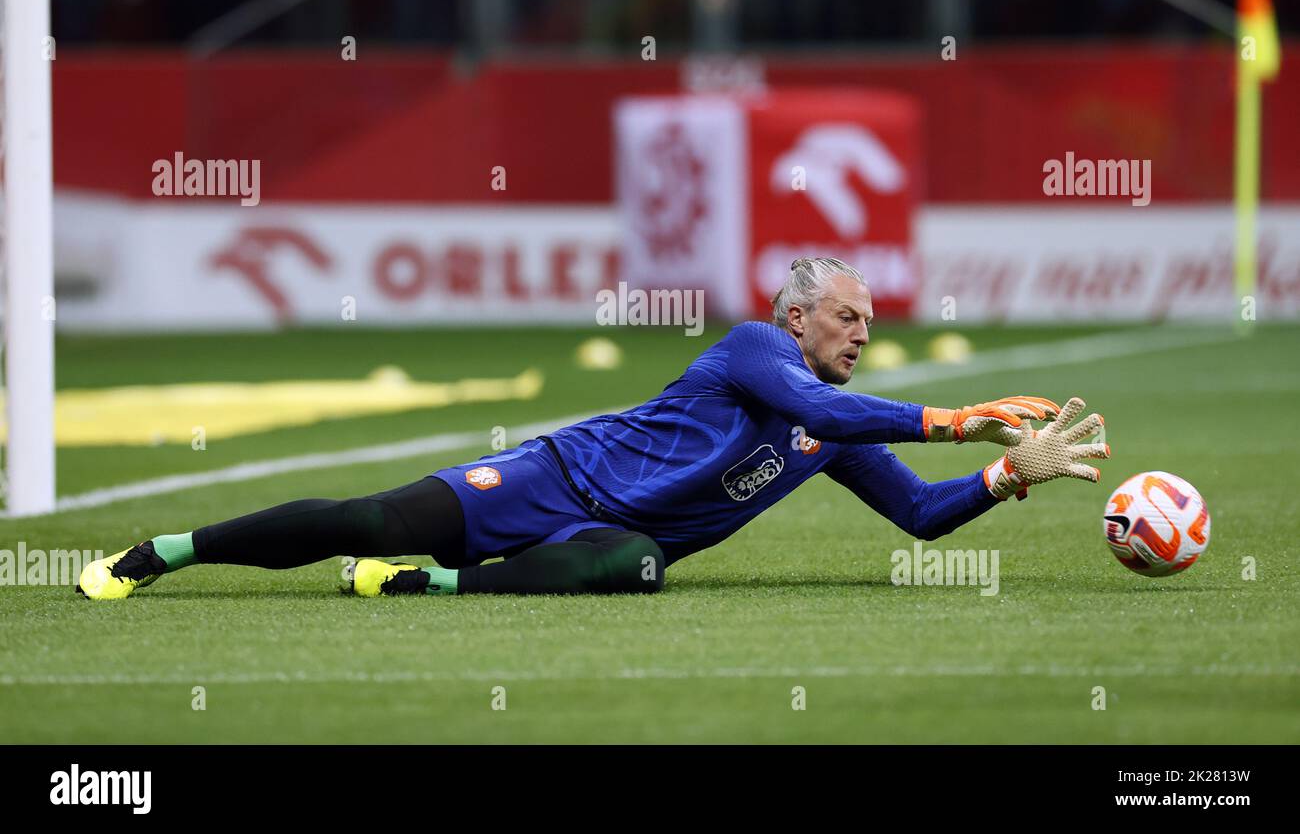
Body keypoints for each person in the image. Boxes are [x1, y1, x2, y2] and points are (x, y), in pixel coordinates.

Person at [76, 257, 1108, 600]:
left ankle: (428, 589)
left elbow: (922, 515)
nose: (860, 333)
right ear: (795, 317)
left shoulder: (832, 428)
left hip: (604, 535)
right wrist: (955, 415)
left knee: (637, 564)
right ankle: (162, 551)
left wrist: (1006, 476)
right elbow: (824, 407)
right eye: (846, 316)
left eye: (869, 323)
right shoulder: (756, 348)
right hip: (549, 478)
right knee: (366, 513)